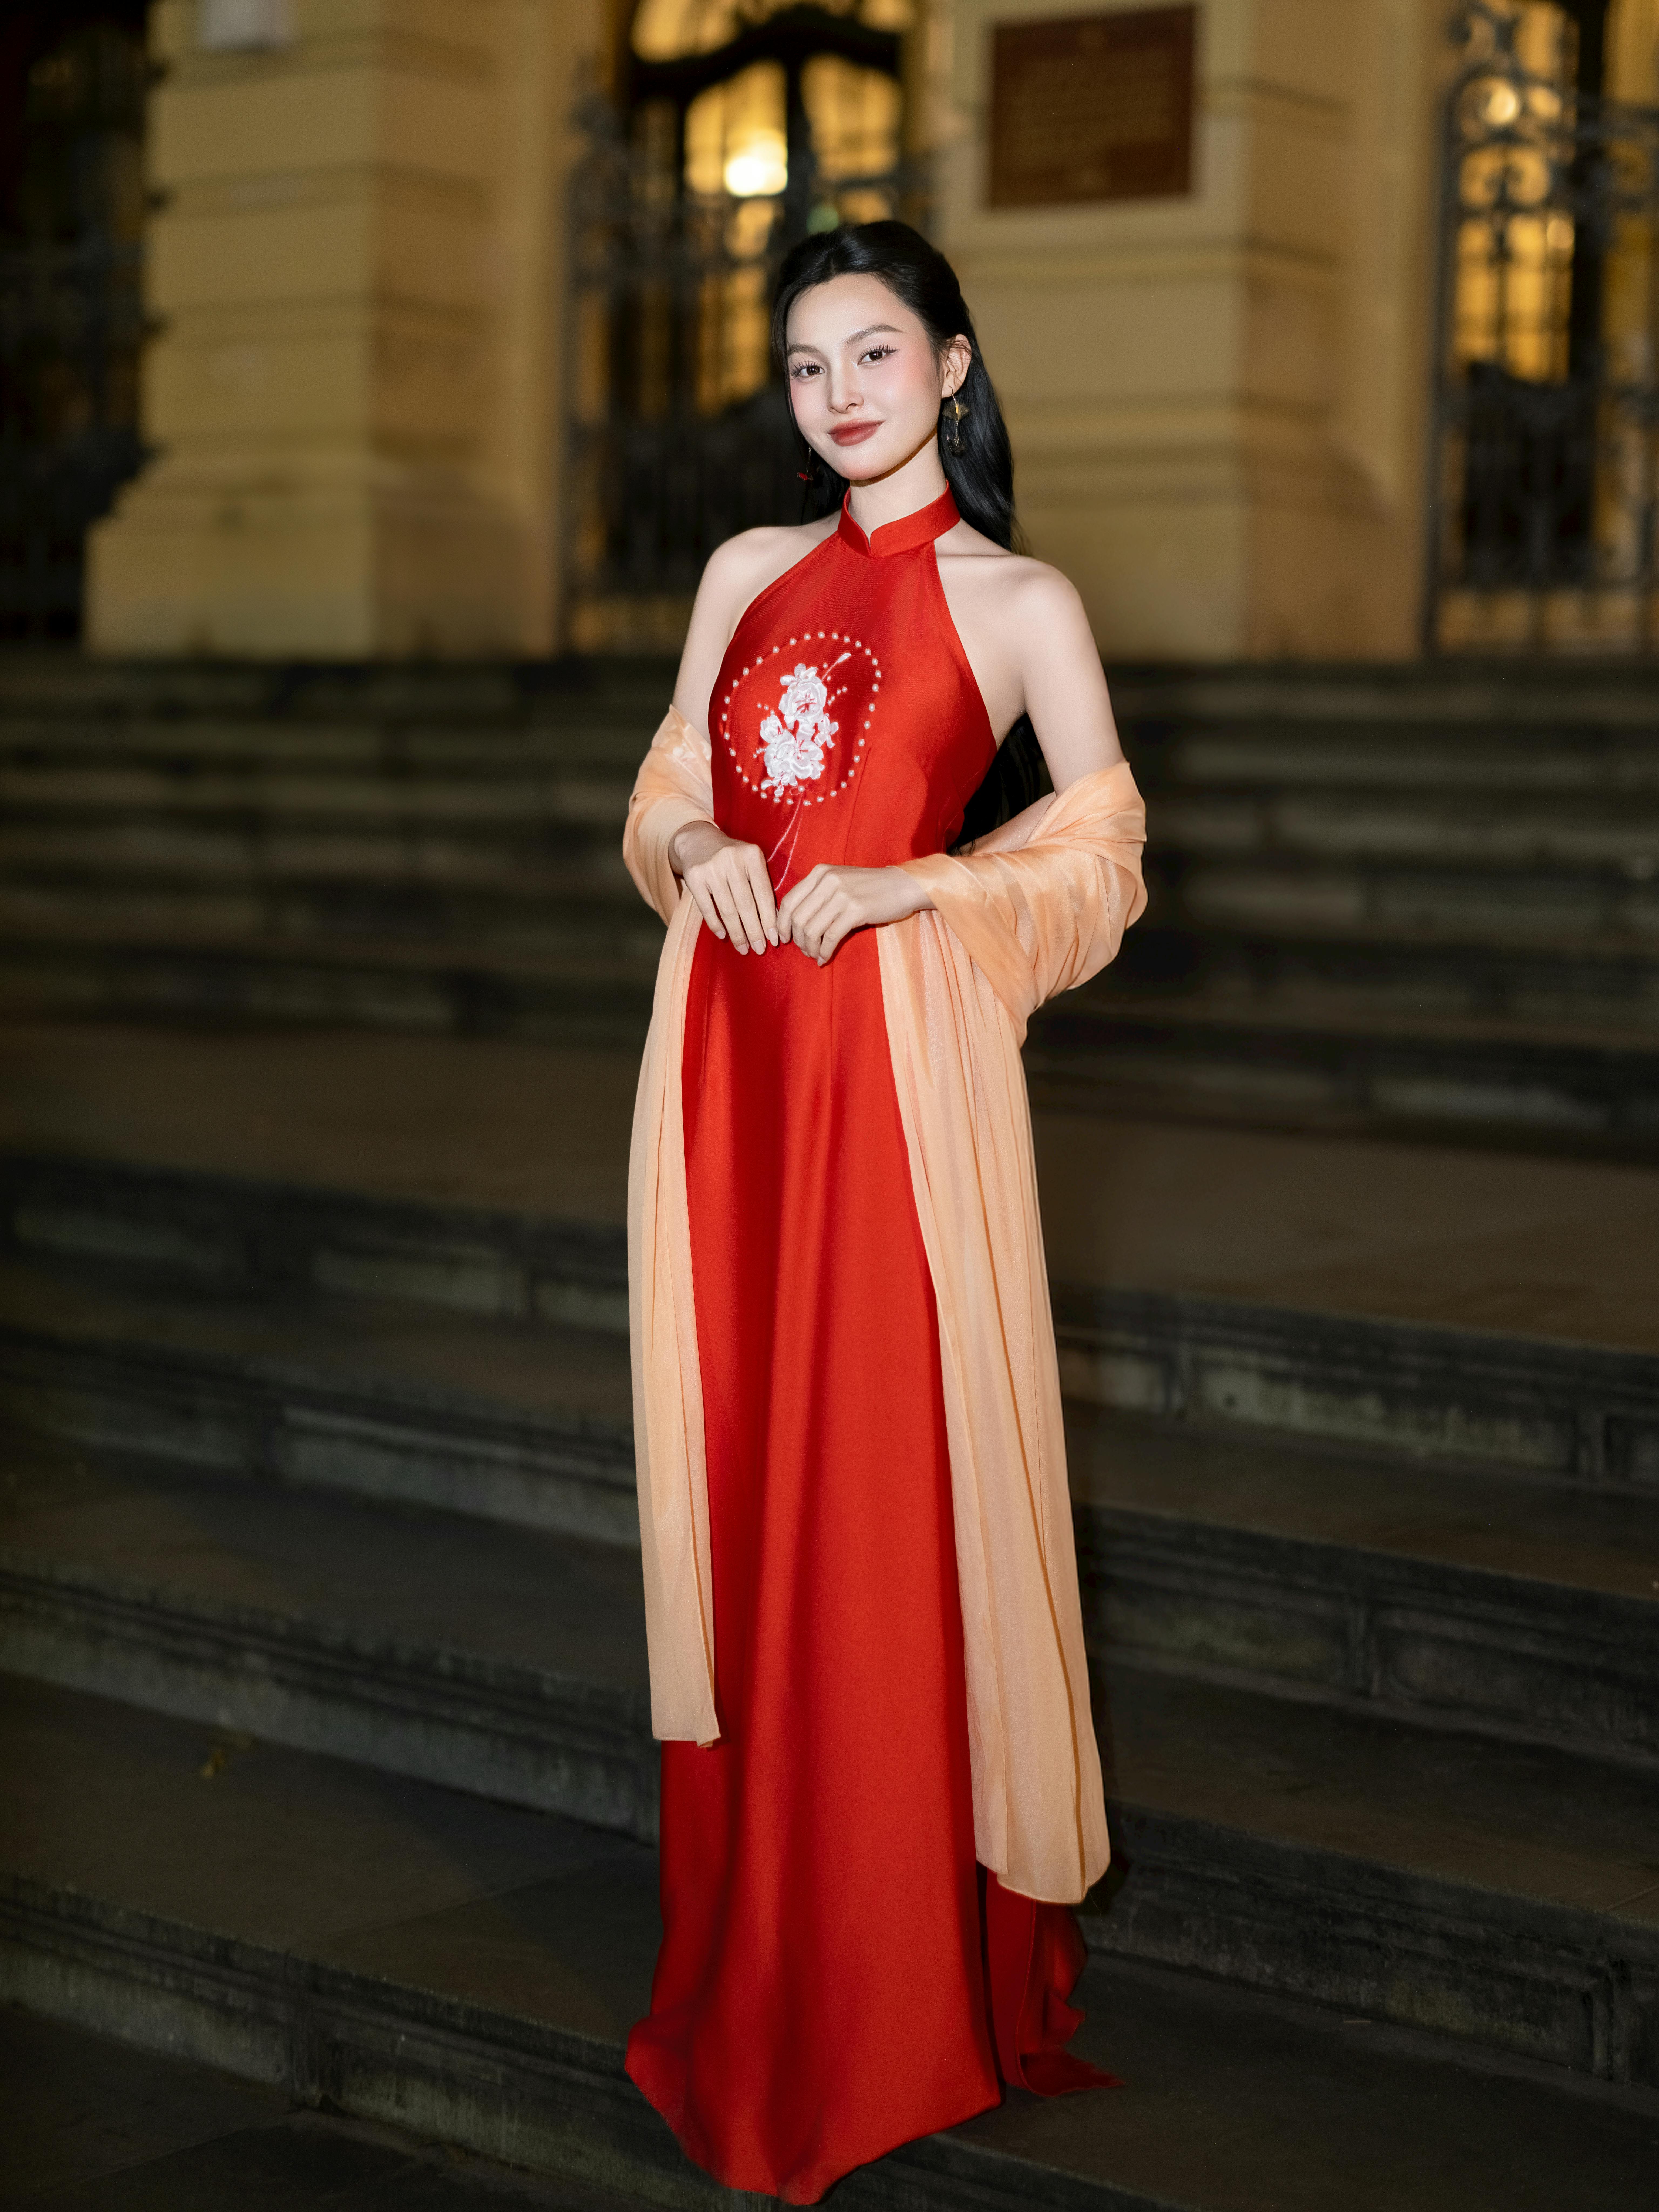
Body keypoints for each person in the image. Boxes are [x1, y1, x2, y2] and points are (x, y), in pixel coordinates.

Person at [620, 220, 1147, 2206]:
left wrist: (918, 888)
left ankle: (885, 1983)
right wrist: (693, 848)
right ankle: (750, 1950)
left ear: (951, 362)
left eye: (872, 355)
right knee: (749, 1490)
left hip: (890, 1097)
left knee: (872, 1499)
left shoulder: (1018, 601)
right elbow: (673, 774)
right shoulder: (747, 572)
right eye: (803, 367)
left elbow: (1105, 854)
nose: (836, 396)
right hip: (730, 1083)